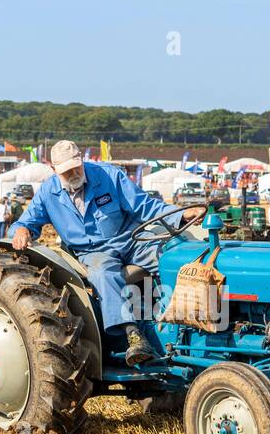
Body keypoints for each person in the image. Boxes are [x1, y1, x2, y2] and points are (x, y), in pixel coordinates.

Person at [11, 140, 172, 365]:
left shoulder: (109, 176)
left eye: (77, 166)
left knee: (169, 258)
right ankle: (133, 335)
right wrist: (22, 230)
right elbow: (25, 222)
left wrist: (178, 215)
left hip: (130, 240)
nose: (74, 172)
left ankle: (179, 317)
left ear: (82, 160)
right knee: (103, 272)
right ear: (54, 169)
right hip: (92, 252)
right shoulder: (48, 193)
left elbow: (144, 205)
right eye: (67, 170)